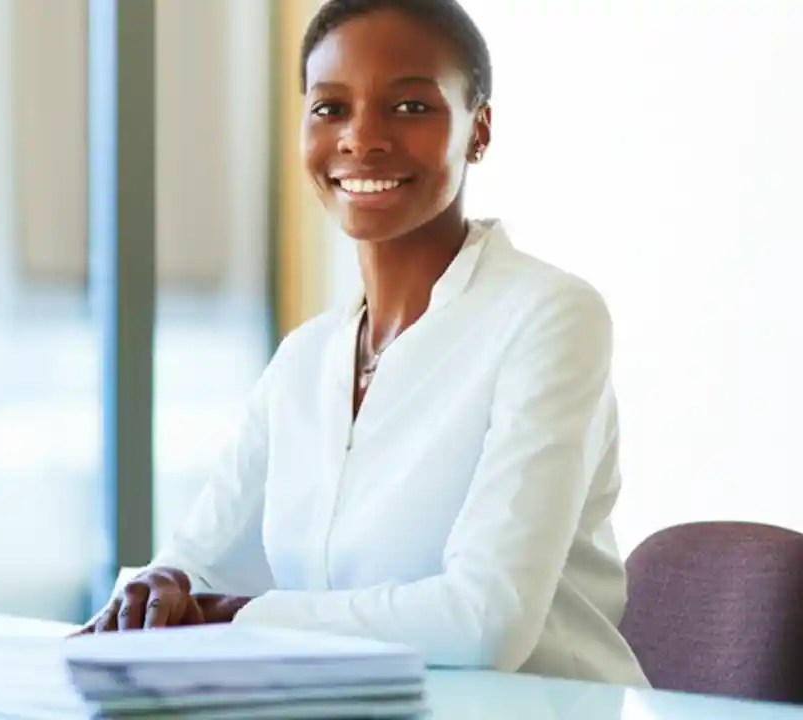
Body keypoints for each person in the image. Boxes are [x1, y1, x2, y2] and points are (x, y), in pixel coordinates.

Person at [80, 0, 647, 686]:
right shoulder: (305, 358)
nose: (362, 138)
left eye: (410, 107)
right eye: (329, 108)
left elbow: (487, 619)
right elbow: (194, 565)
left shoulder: (550, 317)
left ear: (479, 131)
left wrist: (236, 614)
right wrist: (160, 590)